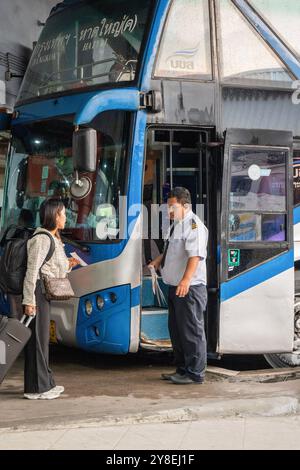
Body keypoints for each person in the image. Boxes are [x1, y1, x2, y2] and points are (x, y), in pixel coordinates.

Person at [22, 198, 80, 400]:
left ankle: (44, 384)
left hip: (43, 292)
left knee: (42, 340)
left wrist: (69, 264)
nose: (66, 217)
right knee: (37, 340)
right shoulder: (41, 239)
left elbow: (53, 266)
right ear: (55, 216)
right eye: (63, 214)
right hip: (37, 291)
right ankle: (37, 389)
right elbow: (32, 271)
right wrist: (29, 301)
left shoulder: (54, 238)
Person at [149, 187, 208, 385]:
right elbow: (170, 250)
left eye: (172, 207)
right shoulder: (176, 225)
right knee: (177, 330)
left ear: (186, 206)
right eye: (168, 207)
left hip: (189, 289)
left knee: (191, 331)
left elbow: (195, 256)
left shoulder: (193, 226)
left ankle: (195, 373)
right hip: (175, 287)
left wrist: (185, 280)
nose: (169, 211)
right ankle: (182, 368)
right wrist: (158, 261)